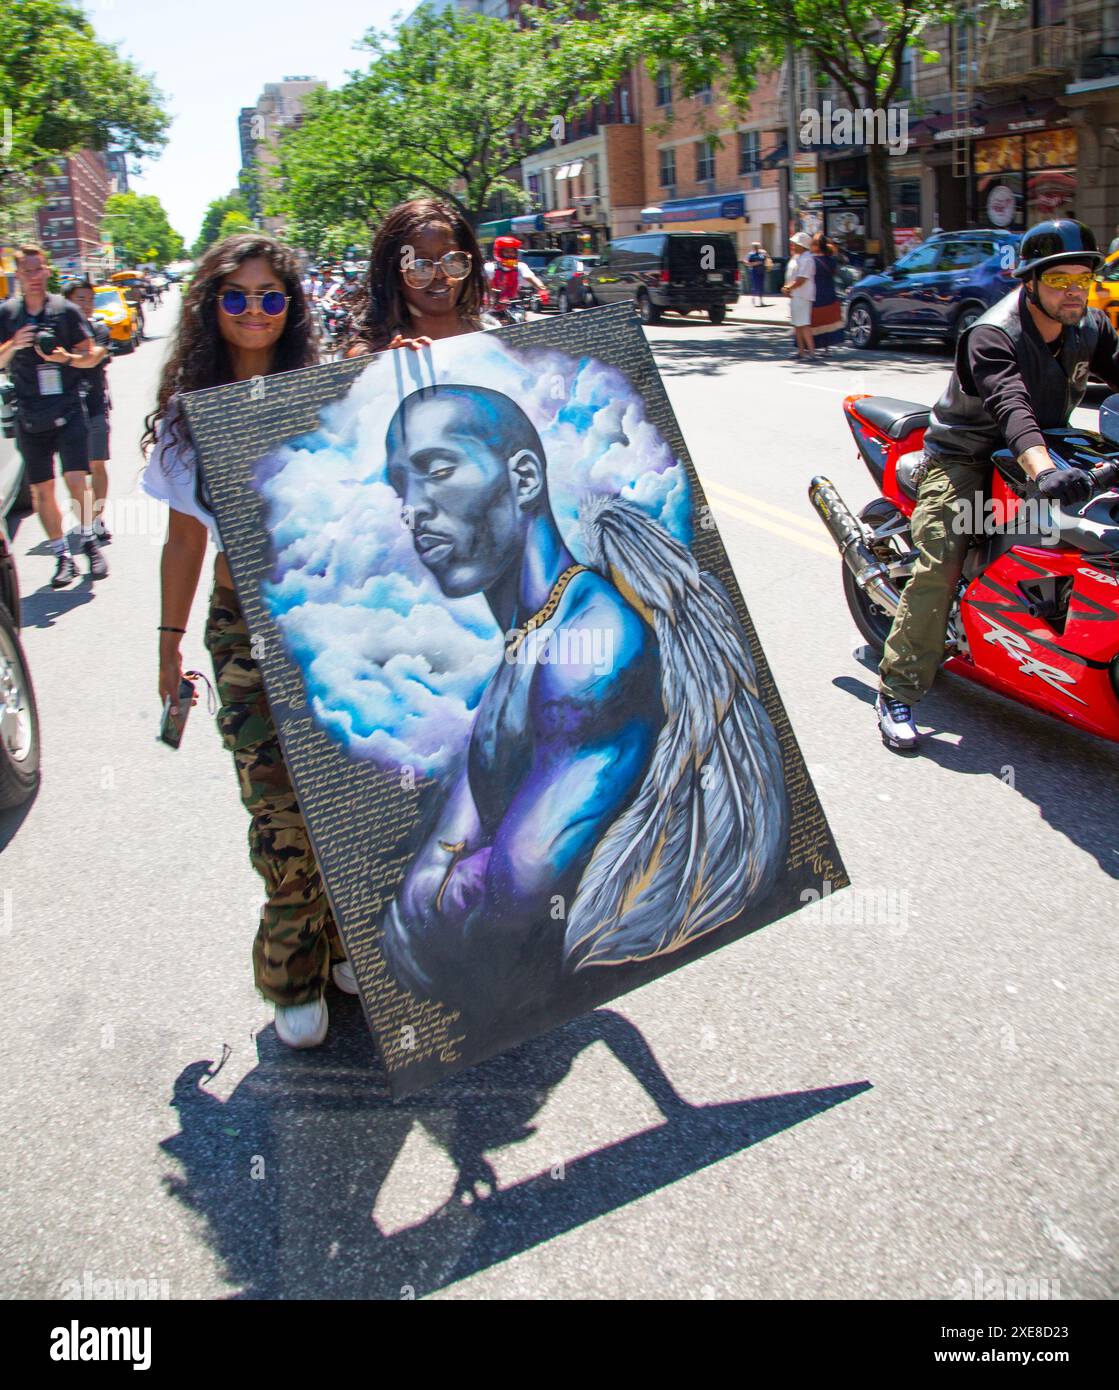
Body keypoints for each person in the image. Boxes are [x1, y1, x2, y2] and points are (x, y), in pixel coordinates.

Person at [141, 232, 348, 1049]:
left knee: (346, 786)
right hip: (241, 620)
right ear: (210, 307)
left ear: (292, 308)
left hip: (330, 609)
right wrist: (167, 644)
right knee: (276, 803)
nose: (255, 311)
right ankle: (292, 967)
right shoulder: (190, 416)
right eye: (237, 296)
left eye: (272, 297)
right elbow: (184, 542)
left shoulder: (329, 393)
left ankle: (343, 943)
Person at [876, 219, 1119, 751]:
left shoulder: (1089, 326)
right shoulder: (992, 333)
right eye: (1061, 280)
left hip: (1049, 444)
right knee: (941, 560)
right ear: (1030, 282)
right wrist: (1045, 470)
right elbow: (1010, 405)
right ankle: (898, 689)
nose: (1075, 289)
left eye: (1084, 277)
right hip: (968, 455)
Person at [0, 244, 108, 586]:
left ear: (47, 270)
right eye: (26, 271)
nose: (33, 277)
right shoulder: (7, 315)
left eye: (38, 269)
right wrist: (14, 344)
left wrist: (65, 358)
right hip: (30, 416)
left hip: (68, 410)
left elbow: (91, 357)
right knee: (41, 492)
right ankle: (62, 556)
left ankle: (89, 540)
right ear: (17, 275)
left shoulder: (66, 310)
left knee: (77, 481)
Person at [345, 196, 494, 357]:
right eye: (420, 265)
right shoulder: (370, 356)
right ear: (395, 276)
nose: (439, 274)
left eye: (450, 259)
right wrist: (384, 369)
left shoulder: (498, 338)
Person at [63, 279, 113, 544]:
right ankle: (85, 519)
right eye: (80, 299)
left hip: (94, 405)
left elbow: (95, 355)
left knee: (97, 464)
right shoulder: (59, 334)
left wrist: (67, 356)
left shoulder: (100, 329)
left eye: (90, 299)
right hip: (66, 409)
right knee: (75, 472)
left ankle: (95, 519)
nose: (86, 304)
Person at [483, 235, 546, 315]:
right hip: (491, 309)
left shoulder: (520, 266)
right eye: (507, 251)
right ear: (499, 252)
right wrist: (494, 296)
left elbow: (530, 277)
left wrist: (542, 289)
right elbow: (485, 285)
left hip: (513, 307)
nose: (511, 254)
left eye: (513, 251)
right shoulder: (490, 267)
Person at [782, 230, 817, 360]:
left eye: (795, 244)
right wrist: (788, 288)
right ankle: (801, 351)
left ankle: (811, 352)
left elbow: (802, 279)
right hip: (797, 294)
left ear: (802, 245)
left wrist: (788, 287)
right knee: (798, 324)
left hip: (802, 295)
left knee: (804, 324)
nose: (793, 246)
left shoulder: (806, 259)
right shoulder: (800, 258)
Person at [810, 232, 844, 353]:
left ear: (815, 245)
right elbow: (836, 273)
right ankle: (826, 348)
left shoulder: (812, 260)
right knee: (827, 322)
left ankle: (810, 347)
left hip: (815, 293)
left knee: (814, 321)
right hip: (830, 292)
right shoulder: (831, 260)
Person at [745, 242, 768, 307]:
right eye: (756, 246)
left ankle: (761, 301)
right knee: (755, 286)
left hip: (761, 271)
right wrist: (756, 263)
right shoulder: (751, 254)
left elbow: (766, 259)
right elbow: (746, 262)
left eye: (758, 246)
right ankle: (754, 299)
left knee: (761, 286)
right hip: (754, 271)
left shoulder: (762, 253)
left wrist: (766, 255)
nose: (757, 247)